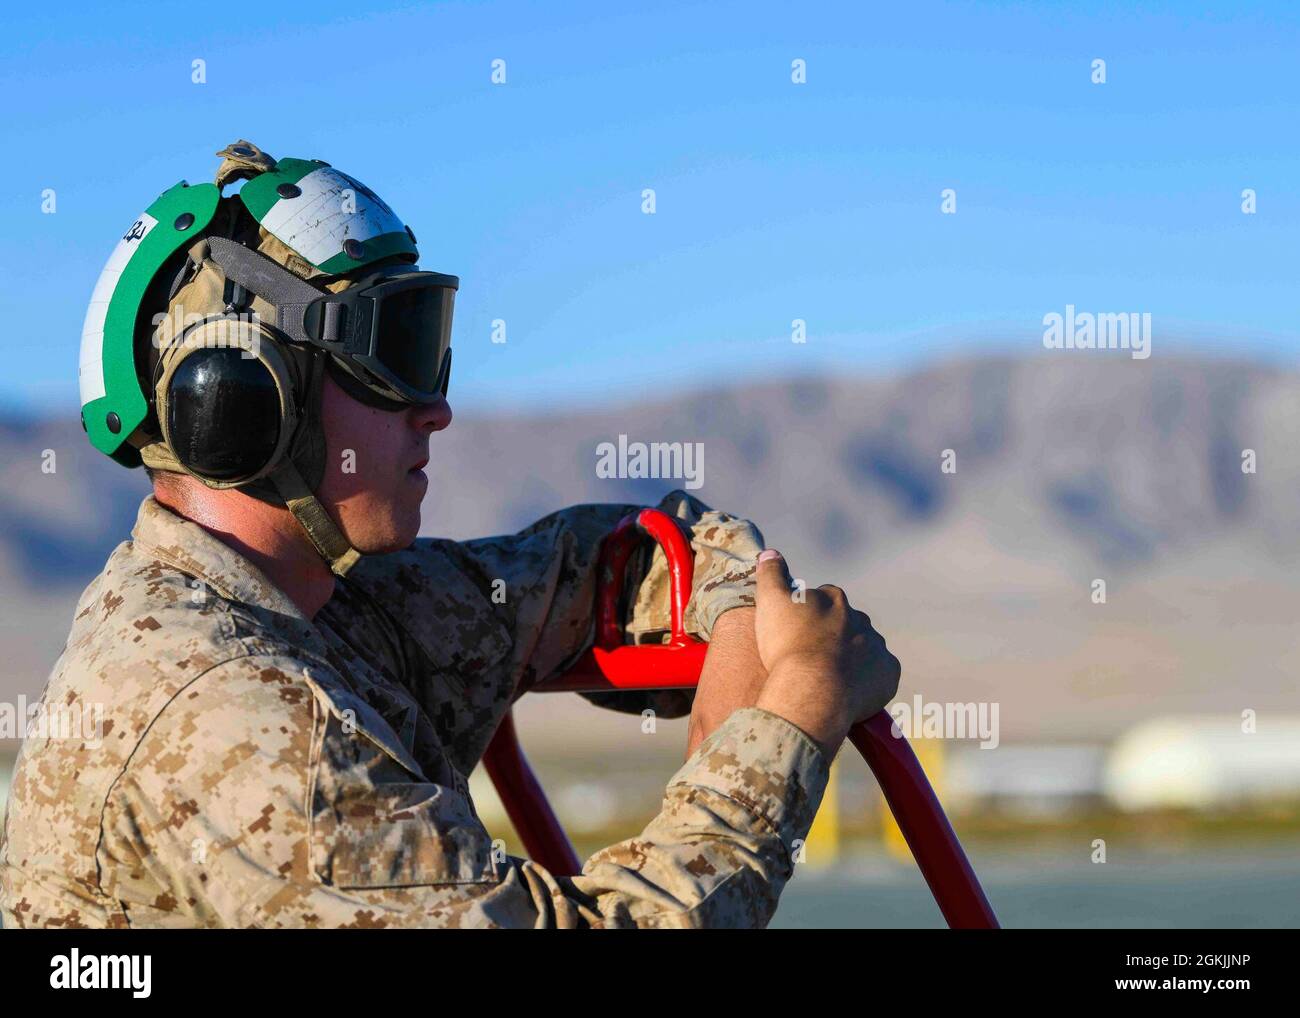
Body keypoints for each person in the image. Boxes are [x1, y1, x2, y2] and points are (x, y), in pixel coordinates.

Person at [0, 141, 900, 928]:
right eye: (391, 355)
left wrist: (748, 613)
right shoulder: (234, 718)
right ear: (244, 401)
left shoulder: (331, 608)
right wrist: (795, 714)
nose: (435, 409)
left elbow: (621, 562)